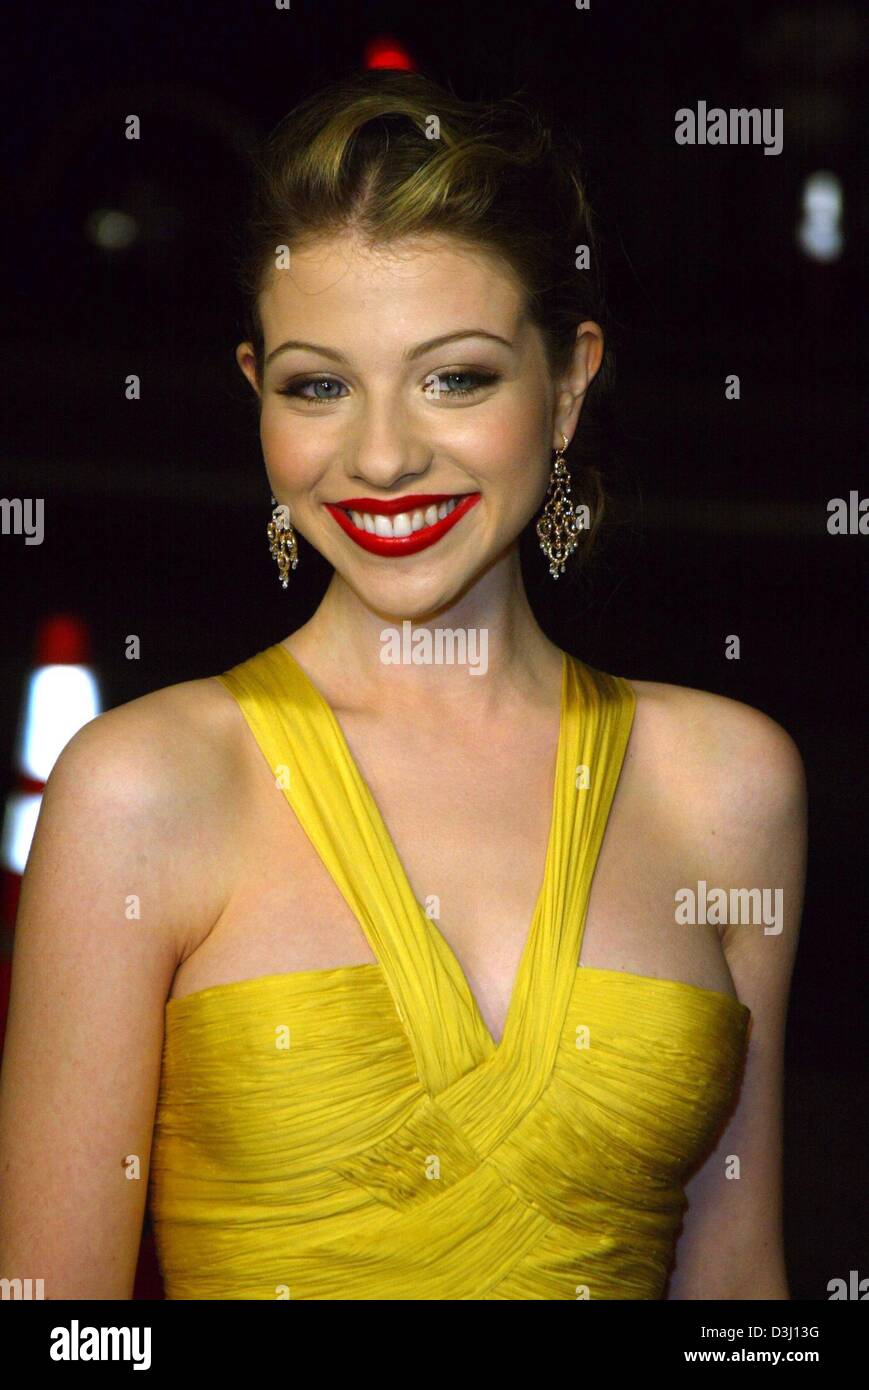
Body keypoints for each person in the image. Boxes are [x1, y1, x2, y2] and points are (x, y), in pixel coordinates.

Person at [0, 69, 806, 1300]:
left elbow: (739, 1290)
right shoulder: (143, 787)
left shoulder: (727, 781)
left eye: (455, 377)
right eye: (318, 384)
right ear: (255, 393)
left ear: (570, 380)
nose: (379, 455)